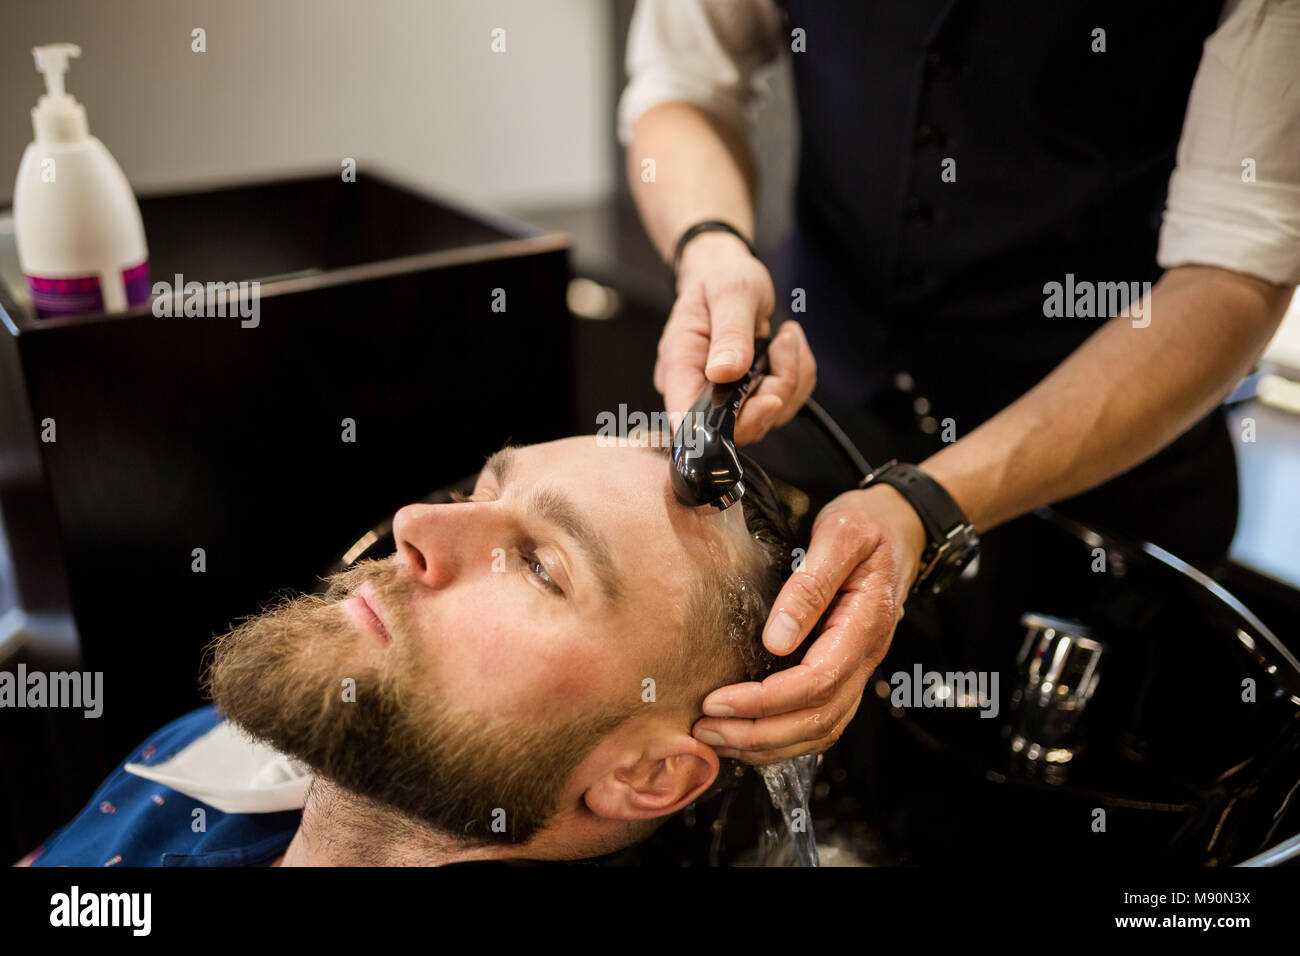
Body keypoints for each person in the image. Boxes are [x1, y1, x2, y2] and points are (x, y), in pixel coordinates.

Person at [619, 0, 1300, 764]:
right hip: (825, 418)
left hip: (1100, 498)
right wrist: (710, 245)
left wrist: (928, 506)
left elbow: (1236, 271)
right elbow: (682, 83)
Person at [24, 435, 796, 867]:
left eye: (536, 565)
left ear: (646, 775)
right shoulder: (209, 755)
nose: (413, 523)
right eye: (477, 494)